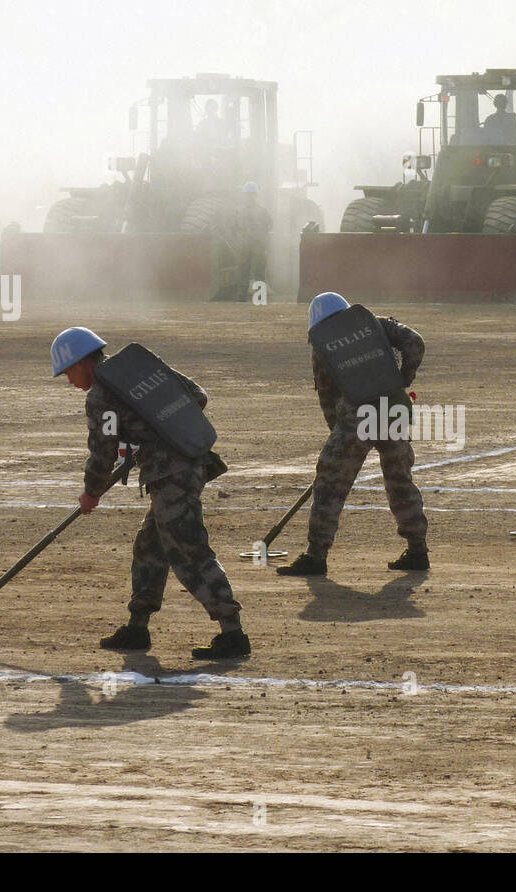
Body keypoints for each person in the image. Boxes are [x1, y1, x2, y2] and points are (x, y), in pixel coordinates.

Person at [51, 326, 250, 659]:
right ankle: (137, 627)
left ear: (85, 362)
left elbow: (103, 452)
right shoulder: (138, 368)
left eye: (69, 371)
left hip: (172, 473)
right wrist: (154, 426)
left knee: (188, 549)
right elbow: (198, 396)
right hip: (190, 462)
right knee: (149, 546)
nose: (70, 380)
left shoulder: (101, 396)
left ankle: (233, 632)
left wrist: (91, 492)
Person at [277, 293, 430, 576]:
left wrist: (340, 444)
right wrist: (401, 379)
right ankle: (418, 550)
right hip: (393, 407)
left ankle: (316, 556)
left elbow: (327, 396)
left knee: (329, 483)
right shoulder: (374, 324)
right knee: (400, 480)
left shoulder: (324, 346)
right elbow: (415, 342)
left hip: (356, 416)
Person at [233, 182, 272, 299]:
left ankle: (258, 296)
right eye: (248, 194)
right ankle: (244, 295)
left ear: (255, 195)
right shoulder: (240, 211)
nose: (250, 196)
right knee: (243, 270)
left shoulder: (261, 211)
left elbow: (269, 226)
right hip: (247, 245)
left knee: (257, 270)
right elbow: (234, 227)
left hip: (256, 245)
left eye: (251, 194)